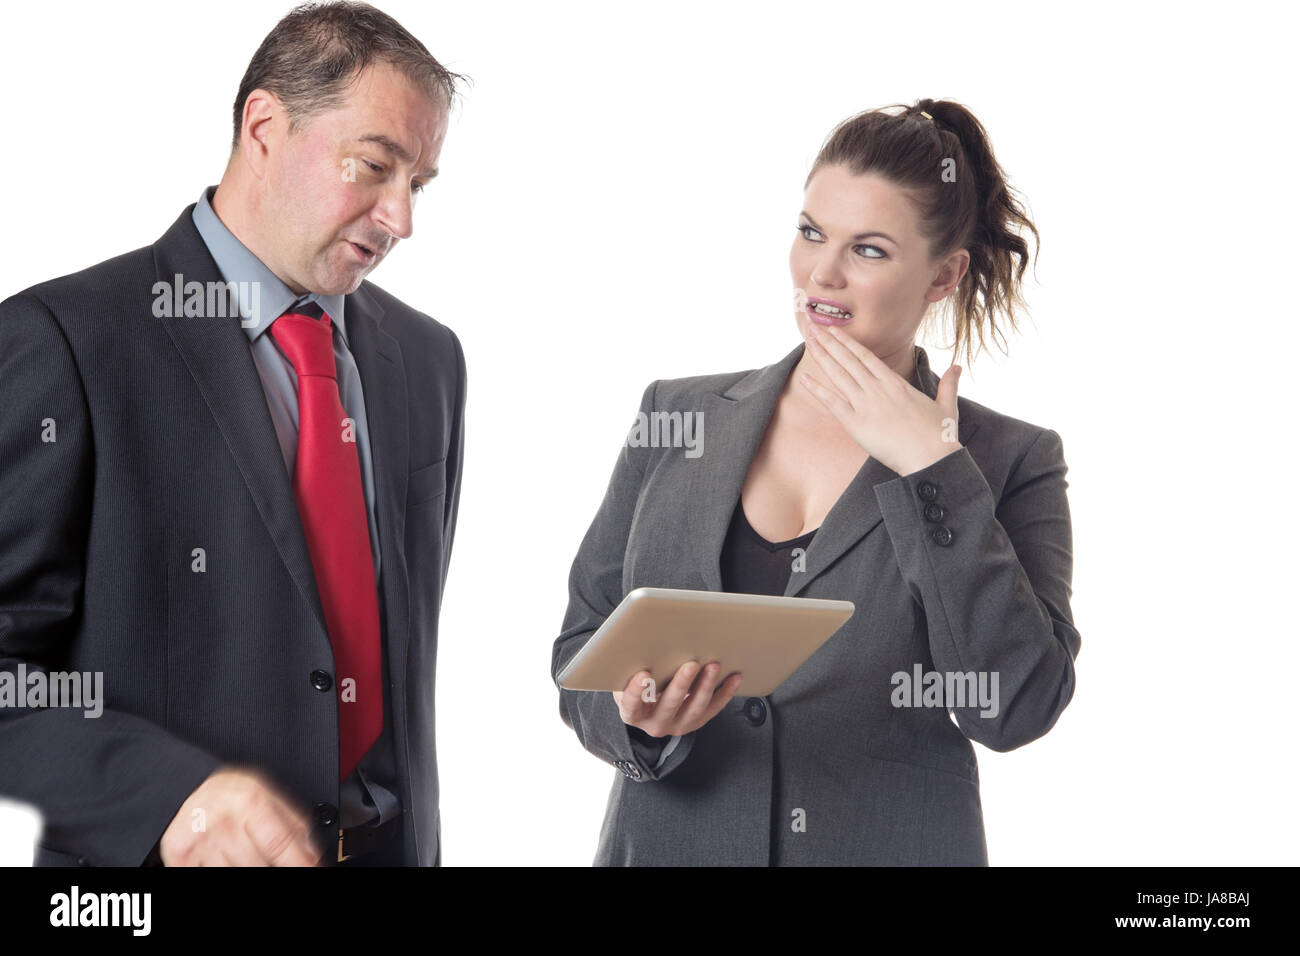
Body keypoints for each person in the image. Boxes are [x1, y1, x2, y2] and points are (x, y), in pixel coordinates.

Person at [552, 99, 1080, 865]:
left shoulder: (1007, 458)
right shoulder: (677, 414)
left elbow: (1014, 707)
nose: (821, 274)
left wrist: (932, 470)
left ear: (944, 275)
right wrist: (636, 720)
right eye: (810, 233)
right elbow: (580, 648)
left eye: (868, 250)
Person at [0, 1, 466, 867]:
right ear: (263, 126)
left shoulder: (428, 361)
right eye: (374, 167)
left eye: (420, 183)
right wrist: (167, 794)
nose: (401, 218)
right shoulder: (65, 341)